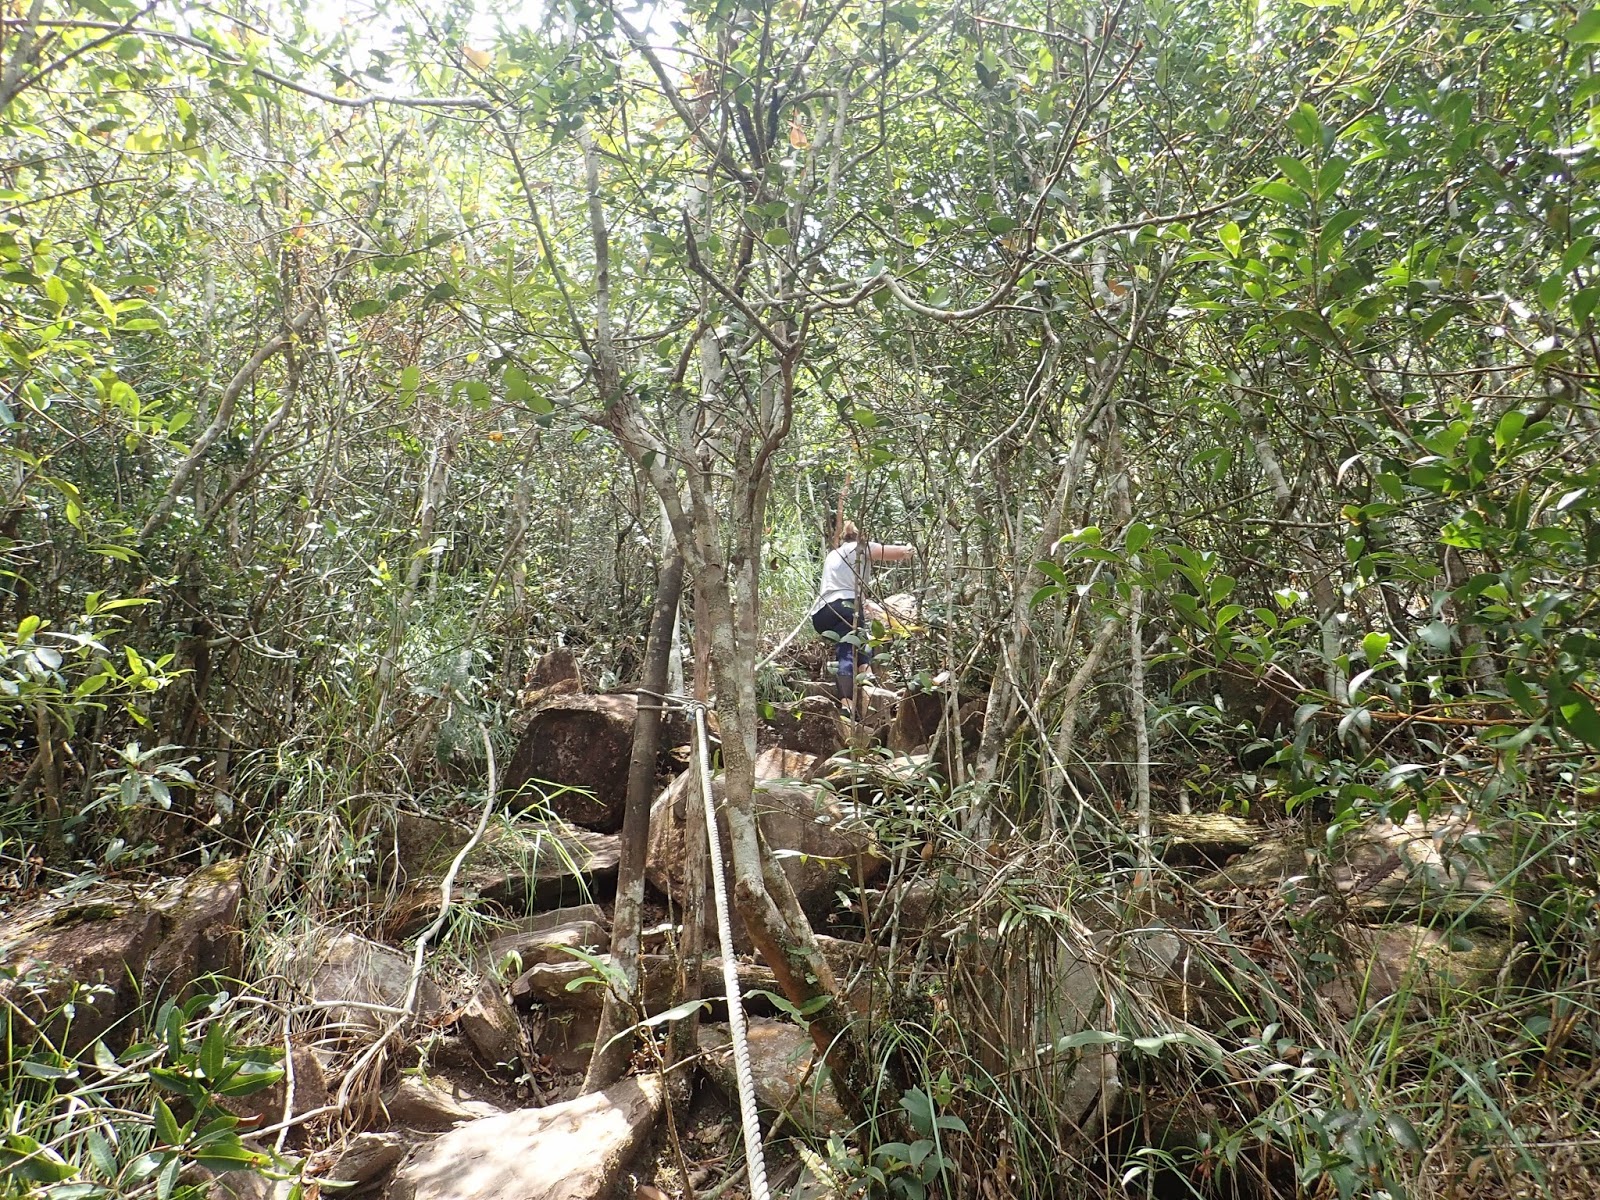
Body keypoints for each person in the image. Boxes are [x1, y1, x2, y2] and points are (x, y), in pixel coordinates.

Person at [810, 521, 914, 704]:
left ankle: (855, 688)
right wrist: (910, 548)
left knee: (848, 645)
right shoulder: (859, 548)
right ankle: (860, 681)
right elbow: (898, 553)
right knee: (854, 641)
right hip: (845, 606)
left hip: (821, 613)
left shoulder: (834, 554)